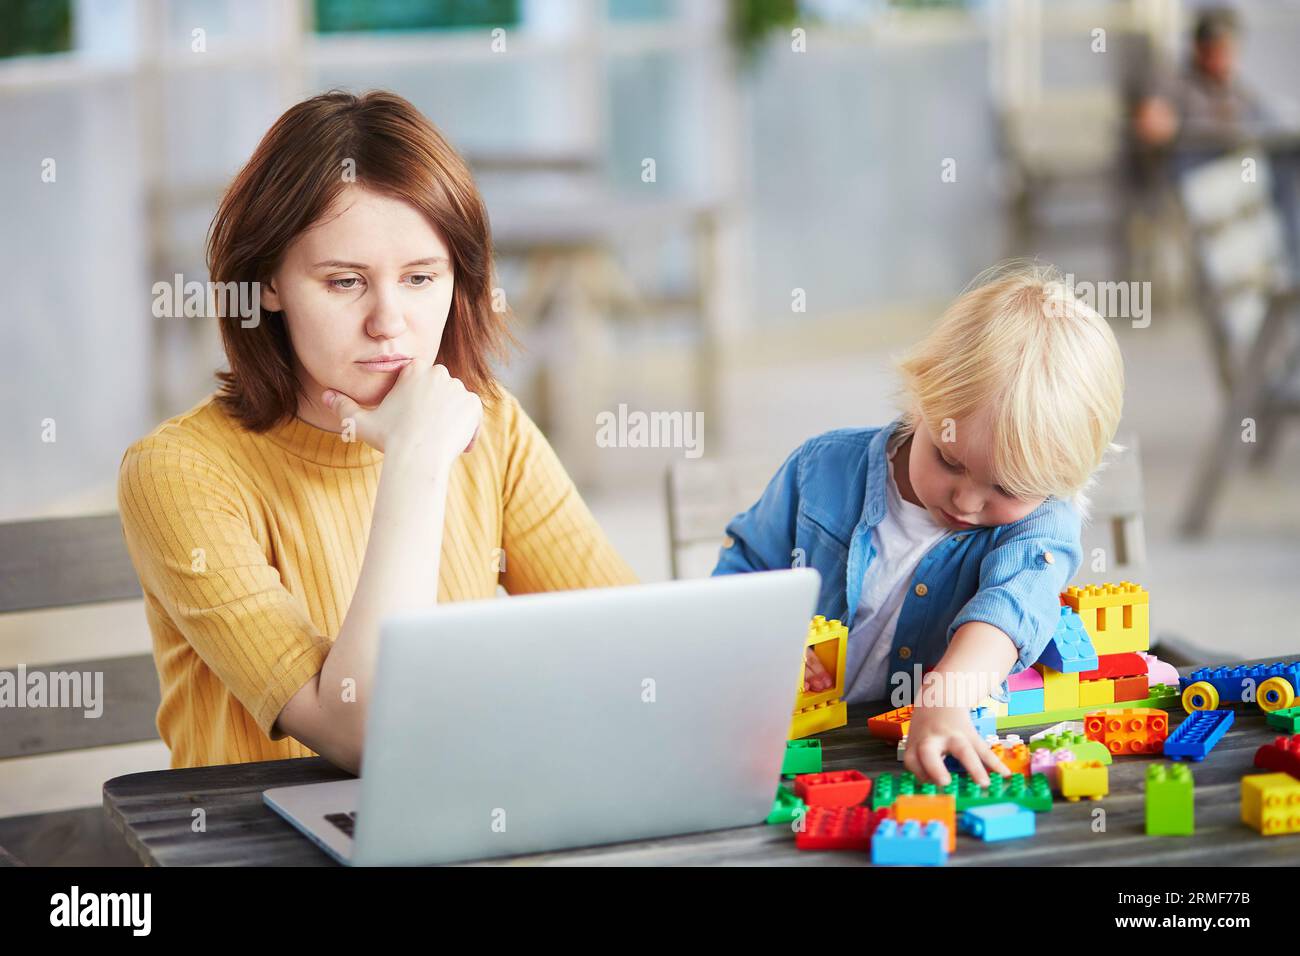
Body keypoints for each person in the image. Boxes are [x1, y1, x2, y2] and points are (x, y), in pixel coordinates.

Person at [118, 90, 637, 772]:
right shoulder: (179, 474)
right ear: (268, 282)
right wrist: (416, 464)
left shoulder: (493, 427)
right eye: (344, 283)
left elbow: (629, 656)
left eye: (421, 277)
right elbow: (360, 733)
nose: (389, 322)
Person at [713, 262, 1125, 787]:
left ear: (1058, 483)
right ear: (920, 400)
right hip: (785, 740)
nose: (967, 500)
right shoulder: (822, 471)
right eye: (950, 461)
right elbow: (744, 571)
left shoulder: (1042, 526)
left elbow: (1009, 612)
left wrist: (948, 698)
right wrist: (765, 645)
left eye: (1006, 489)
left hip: (901, 753)